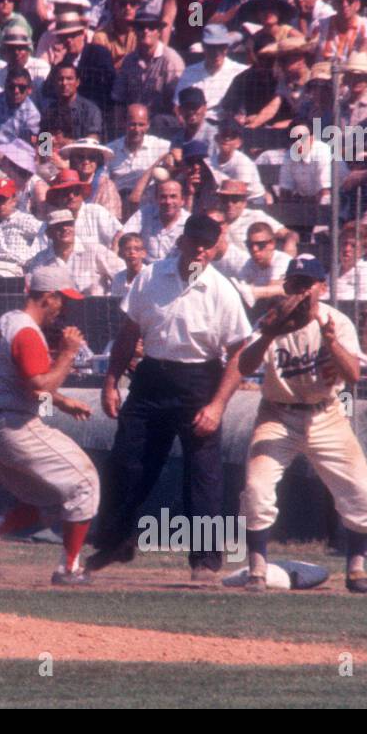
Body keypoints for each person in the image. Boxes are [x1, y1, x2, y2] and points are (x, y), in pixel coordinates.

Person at [89, 214, 251, 583]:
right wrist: (111, 382)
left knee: (203, 475)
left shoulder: (223, 291)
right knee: (126, 462)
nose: (199, 250)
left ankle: (206, 562)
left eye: (206, 245)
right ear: (181, 241)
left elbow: (240, 352)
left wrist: (217, 405)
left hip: (200, 382)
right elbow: (129, 332)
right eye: (193, 242)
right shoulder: (150, 276)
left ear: (213, 249)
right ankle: (115, 542)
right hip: (151, 378)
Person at [236, 256, 367, 594]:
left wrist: (331, 342)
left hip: (326, 413)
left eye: (309, 284)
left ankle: (357, 568)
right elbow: (244, 366)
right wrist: (268, 333)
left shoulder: (337, 322)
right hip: (277, 414)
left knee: (362, 494)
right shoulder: (270, 321)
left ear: (322, 288)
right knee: (257, 489)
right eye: (296, 283)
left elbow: (354, 376)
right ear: (285, 286)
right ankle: (257, 568)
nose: (302, 291)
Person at [0, 262, 101, 586]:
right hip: (15, 428)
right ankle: (68, 570)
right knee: (86, 482)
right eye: (61, 299)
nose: (63, 307)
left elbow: (27, 385)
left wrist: (63, 403)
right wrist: (68, 354)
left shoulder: (8, 321)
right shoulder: (26, 331)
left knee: (53, 498)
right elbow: (40, 386)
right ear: (48, 297)